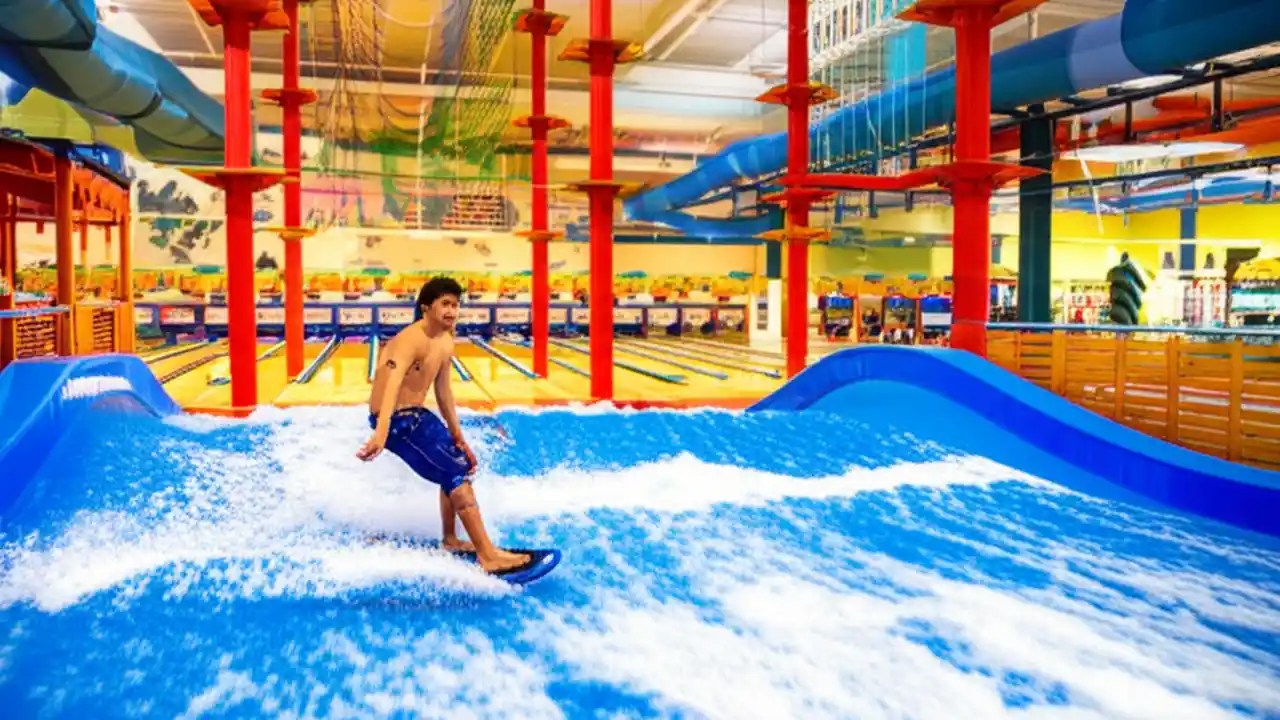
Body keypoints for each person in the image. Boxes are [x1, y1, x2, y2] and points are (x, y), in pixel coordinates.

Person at [357, 276, 529, 574]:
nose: (451, 311)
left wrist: (458, 436)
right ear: (426, 308)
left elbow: (444, 393)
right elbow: (392, 386)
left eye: (455, 304)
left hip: (416, 415)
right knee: (455, 474)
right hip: (396, 420)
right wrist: (381, 433)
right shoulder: (410, 339)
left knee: (458, 463)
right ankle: (488, 556)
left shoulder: (446, 341)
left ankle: (451, 538)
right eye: (445, 304)